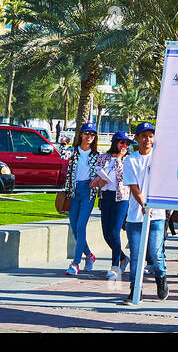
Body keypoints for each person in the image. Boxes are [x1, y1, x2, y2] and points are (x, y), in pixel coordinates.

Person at [122, 123, 168, 302]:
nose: (147, 140)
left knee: (156, 253)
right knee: (136, 255)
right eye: (143, 136)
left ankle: (161, 278)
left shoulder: (159, 158)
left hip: (156, 216)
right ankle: (135, 289)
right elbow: (134, 186)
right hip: (136, 216)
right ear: (137, 138)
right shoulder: (130, 160)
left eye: (150, 136)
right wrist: (143, 205)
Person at [94, 131, 131, 280]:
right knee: (106, 234)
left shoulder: (127, 160)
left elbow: (126, 178)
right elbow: (96, 174)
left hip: (121, 198)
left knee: (115, 232)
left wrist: (120, 159)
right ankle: (123, 257)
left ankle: (115, 266)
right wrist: (98, 181)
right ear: (115, 142)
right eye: (122, 142)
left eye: (127, 144)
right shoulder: (103, 157)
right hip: (106, 196)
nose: (124, 146)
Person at [65, 123, 99, 275]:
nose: (89, 136)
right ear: (81, 135)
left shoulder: (96, 155)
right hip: (74, 192)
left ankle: (76, 262)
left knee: (80, 227)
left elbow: (103, 171)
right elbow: (62, 155)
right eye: (87, 133)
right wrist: (63, 143)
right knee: (74, 227)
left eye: (92, 134)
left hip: (88, 192)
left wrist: (97, 179)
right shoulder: (73, 151)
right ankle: (90, 256)